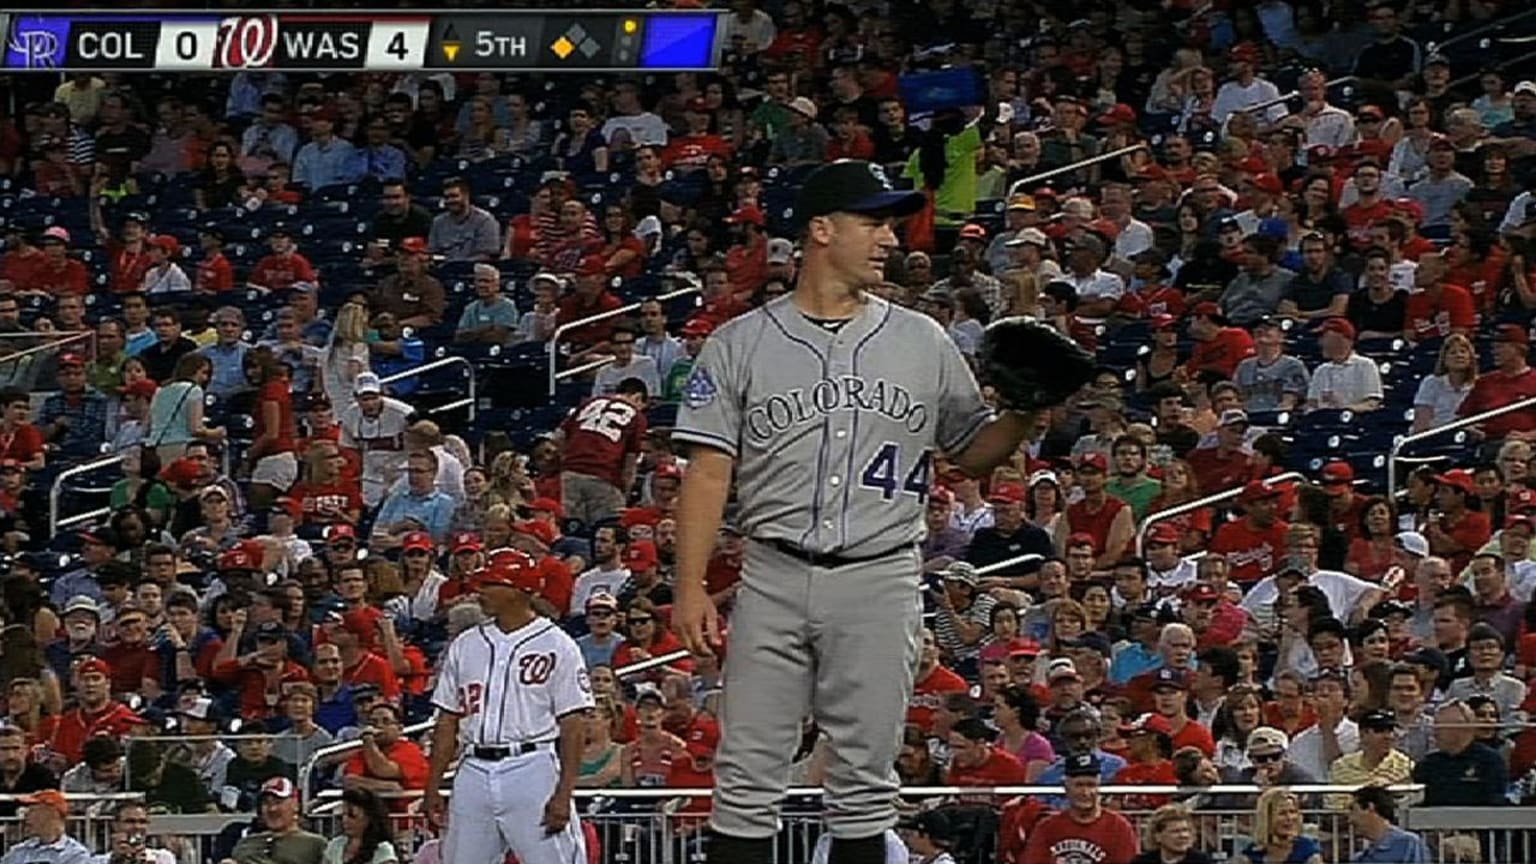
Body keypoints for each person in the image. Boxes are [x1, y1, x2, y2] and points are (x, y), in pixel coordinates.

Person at [670, 159, 1090, 864]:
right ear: (821, 229)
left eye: (891, 225)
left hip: (880, 575)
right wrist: (687, 587)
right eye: (874, 222)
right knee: (746, 777)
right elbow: (709, 471)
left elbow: (974, 454)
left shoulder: (921, 339)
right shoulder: (741, 342)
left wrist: (1023, 410)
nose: (891, 239)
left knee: (864, 784)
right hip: (772, 572)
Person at [422, 551, 593, 864]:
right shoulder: (466, 643)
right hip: (473, 767)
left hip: (532, 766)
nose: (481, 591)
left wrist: (564, 792)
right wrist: (432, 786)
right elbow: (447, 720)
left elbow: (574, 724)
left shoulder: (558, 644)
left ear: (519, 590)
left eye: (491, 583)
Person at [1022, 753, 1139, 864]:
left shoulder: (1118, 828)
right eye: (1079, 785)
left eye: (1091, 785)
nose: (1085, 792)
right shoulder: (1047, 828)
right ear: (1066, 787)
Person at [228, 777, 326, 864]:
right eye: (266, 803)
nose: (272, 809)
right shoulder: (246, 842)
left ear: (295, 805)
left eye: (278, 802)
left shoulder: (315, 844)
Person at [0, 789, 91, 864]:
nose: (26, 816)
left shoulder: (75, 855)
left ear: (51, 814)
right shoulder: (18, 852)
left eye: (32, 811)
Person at [1348, 783, 1431, 862]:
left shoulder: (1409, 844)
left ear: (1370, 807)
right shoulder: (1361, 859)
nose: (1350, 820)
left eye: (1353, 810)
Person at [1239, 787, 1322, 864]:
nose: (1289, 818)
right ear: (1267, 817)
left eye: (1292, 812)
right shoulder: (1252, 855)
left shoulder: (1309, 853)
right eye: (1282, 813)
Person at [322, 787, 398, 864]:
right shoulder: (335, 845)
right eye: (342, 815)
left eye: (352, 815)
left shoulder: (382, 850)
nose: (345, 820)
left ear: (369, 818)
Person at [1129, 803, 1215, 864]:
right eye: (1175, 831)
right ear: (1157, 836)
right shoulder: (1143, 861)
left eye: (1186, 830)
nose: (1183, 836)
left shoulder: (1202, 861)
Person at [94, 801, 177, 864]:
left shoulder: (163, 858)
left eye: (142, 822)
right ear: (115, 825)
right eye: (130, 821)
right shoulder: (97, 861)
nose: (137, 827)